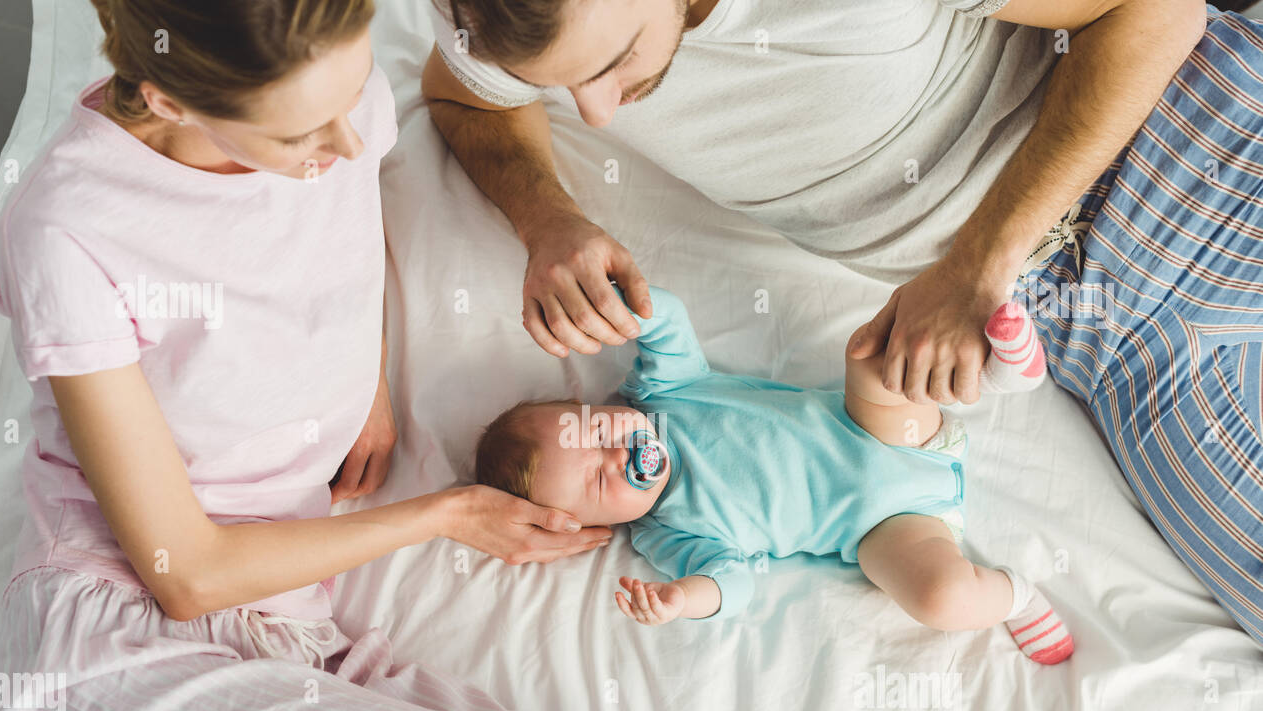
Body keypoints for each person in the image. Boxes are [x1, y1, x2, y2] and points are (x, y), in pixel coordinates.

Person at [0, 0, 753, 711]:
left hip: (295, 650)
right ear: (167, 102)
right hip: (125, 672)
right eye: (304, 136)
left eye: (354, 96)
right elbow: (186, 575)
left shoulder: (333, 101)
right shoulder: (71, 226)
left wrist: (364, 381)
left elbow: (339, 228)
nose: (350, 146)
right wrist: (449, 514)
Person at [425, 1, 1263, 647]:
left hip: (1182, 158)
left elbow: (1160, 12)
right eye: (564, 85)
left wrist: (978, 261)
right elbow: (461, 99)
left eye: (610, 63)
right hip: (1091, 338)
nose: (599, 112)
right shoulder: (502, 15)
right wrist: (548, 221)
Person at [476, 286, 1074, 663]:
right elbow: (732, 583)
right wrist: (681, 599)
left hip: (886, 430)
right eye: (600, 482)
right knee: (938, 598)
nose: (616, 455)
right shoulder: (667, 533)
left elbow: (670, 320)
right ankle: (1017, 598)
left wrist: (619, 311)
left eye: (599, 432)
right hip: (887, 528)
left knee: (868, 355)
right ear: (597, 526)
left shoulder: (663, 391)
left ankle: (999, 374)